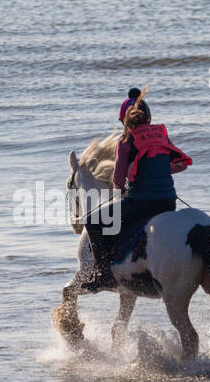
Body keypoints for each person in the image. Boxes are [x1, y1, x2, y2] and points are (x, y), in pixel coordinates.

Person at [79, 89, 192, 292]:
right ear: (149, 117)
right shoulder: (161, 137)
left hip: (141, 204)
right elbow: (182, 164)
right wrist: (161, 172)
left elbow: (117, 180)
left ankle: (103, 274)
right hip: (168, 202)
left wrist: (123, 187)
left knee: (92, 221)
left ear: (124, 121)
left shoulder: (125, 142)